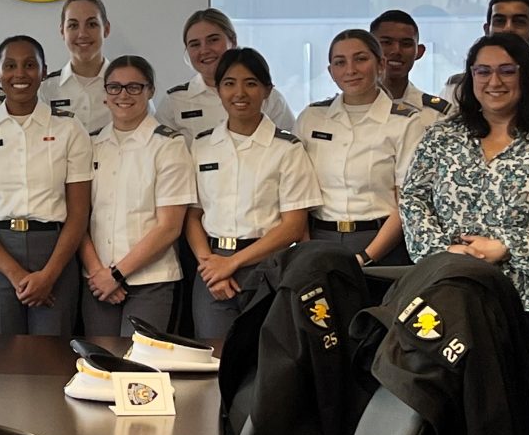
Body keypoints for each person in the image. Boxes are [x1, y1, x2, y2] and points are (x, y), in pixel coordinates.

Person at [402, 32, 529, 355]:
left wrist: (505, 247)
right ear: (471, 76)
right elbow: (413, 198)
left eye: (507, 70)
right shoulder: (443, 136)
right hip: (452, 292)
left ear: (526, 76)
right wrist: (443, 250)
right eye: (483, 71)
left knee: (522, 400)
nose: (494, 81)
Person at [0, 35, 92, 336]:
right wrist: (14, 273)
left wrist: (50, 274)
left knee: (50, 357)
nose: (20, 74)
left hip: (55, 254)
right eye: (11, 66)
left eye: (30, 65)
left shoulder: (69, 128)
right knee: (2, 359)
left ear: (44, 72)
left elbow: (80, 212)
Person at [185, 47, 321, 340]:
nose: (239, 93)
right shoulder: (202, 146)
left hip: (268, 265)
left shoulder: (287, 149)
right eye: (229, 83)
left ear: (267, 90)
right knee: (214, 361)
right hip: (211, 268)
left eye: (251, 83)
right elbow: (193, 216)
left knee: (267, 359)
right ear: (218, 90)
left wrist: (232, 263)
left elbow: (293, 225)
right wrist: (210, 264)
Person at [79, 55, 196, 337]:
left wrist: (116, 274)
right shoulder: (91, 144)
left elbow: (169, 226)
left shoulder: (168, 145)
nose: (123, 95)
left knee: (140, 368)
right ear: (105, 93)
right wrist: (98, 272)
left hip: (151, 280)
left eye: (134, 87)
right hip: (97, 280)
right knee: (101, 365)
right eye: (115, 87)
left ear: (150, 90)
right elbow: (79, 216)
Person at [296, 29, 429, 266]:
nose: (350, 70)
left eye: (360, 59)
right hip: (319, 241)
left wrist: (366, 257)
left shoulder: (405, 122)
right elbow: (296, 194)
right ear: (330, 71)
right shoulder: (312, 117)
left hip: (383, 243)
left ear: (381, 64)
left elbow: (407, 201)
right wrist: (307, 250)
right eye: (340, 62)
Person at [159, 8, 295, 141]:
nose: (204, 50)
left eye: (213, 40)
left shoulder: (269, 97)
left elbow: (287, 146)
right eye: (195, 44)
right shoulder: (174, 101)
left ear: (233, 41)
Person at [440, 0, 529, 103]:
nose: (508, 28)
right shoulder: (457, 88)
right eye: (500, 21)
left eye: (519, 22)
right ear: (487, 30)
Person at [38, 0, 111, 134]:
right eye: (73, 25)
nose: (82, 34)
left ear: (106, 29)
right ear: (62, 32)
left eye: (91, 24)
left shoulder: (129, 86)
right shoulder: (45, 89)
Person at [369, 8, 451, 117]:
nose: (396, 51)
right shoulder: (343, 109)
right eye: (386, 42)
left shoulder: (437, 114)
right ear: (369, 48)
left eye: (406, 44)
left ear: (419, 52)